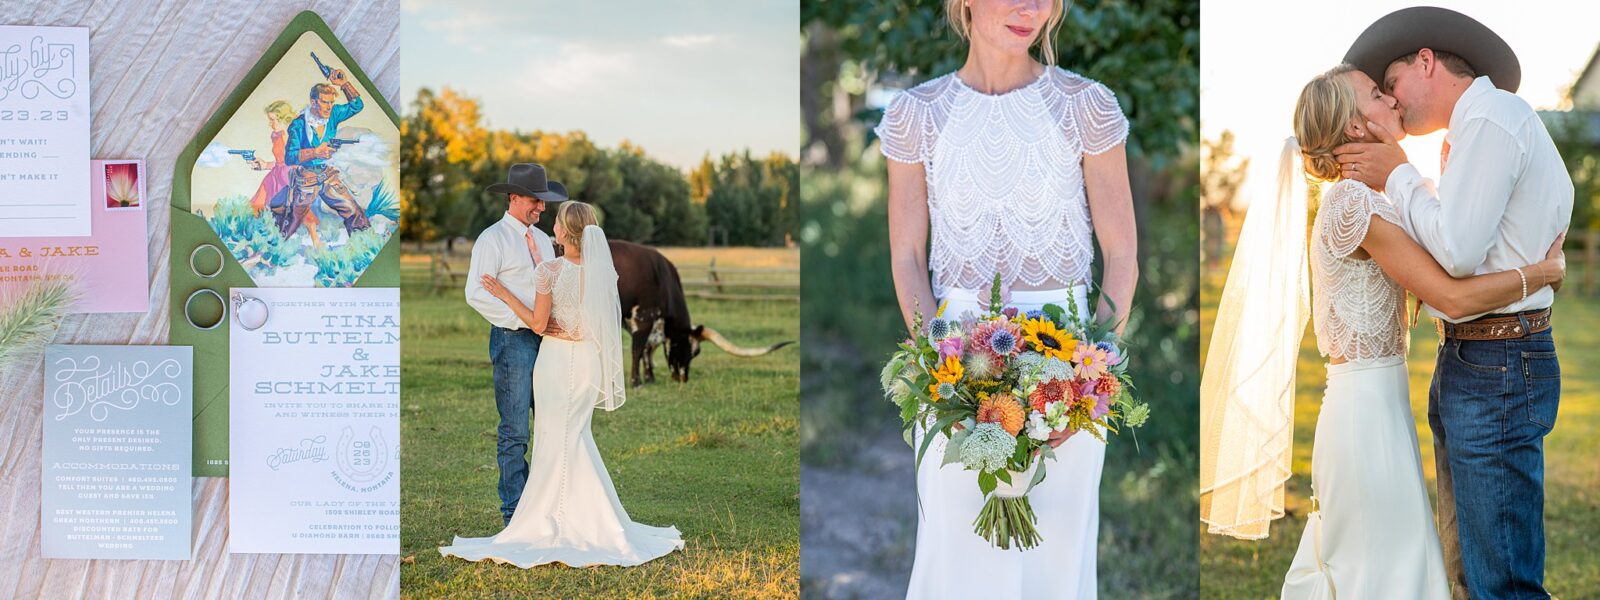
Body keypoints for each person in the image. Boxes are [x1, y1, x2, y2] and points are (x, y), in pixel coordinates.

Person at [1199, 61, 1565, 600]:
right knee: (1382, 573)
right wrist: (1542, 273)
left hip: (1379, 409)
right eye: (1377, 93)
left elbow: (1443, 251)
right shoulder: (1354, 204)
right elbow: (1452, 296)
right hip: (1365, 418)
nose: (1392, 101)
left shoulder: (1367, 200)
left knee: (1388, 569)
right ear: (1355, 125)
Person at [877, 0, 1136, 596]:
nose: (1032, 8)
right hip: (953, 362)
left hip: (1065, 365)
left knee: (1054, 557)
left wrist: (1091, 376)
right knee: (959, 555)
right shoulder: (915, 115)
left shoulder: (1087, 107)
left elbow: (1122, 255)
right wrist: (938, 367)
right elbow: (907, 256)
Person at [1333, 8, 1573, 598]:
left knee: (1502, 582)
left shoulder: (1491, 119)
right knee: (1467, 570)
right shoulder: (1470, 133)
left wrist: (1399, 175)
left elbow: (1460, 253)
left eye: (1391, 84)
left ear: (1426, 62)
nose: (1392, 101)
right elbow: (1456, 247)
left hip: (1499, 361)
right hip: (1476, 359)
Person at [441, 201, 685, 568]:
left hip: (555, 360)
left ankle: (557, 520)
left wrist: (504, 294)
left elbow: (539, 324)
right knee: (575, 436)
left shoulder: (549, 270)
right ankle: (586, 519)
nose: (550, 222)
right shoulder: (603, 272)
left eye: (556, 220)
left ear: (565, 232)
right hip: (587, 361)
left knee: (555, 438)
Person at [464, 163, 564, 526]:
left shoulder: (542, 241)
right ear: (514, 198)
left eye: (543, 202)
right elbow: (476, 294)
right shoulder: (492, 240)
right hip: (513, 341)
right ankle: (515, 515)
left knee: (553, 424)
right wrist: (525, 320)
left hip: (549, 342)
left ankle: (548, 506)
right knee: (515, 430)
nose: (541, 208)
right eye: (535, 201)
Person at [278, 66, 370, 240]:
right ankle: (275, 247)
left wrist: (344, 84)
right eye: (324, 102)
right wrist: (315, 152)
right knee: (292, 222)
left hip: (327, 175)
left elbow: (357, 105)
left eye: (331, 102)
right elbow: (289, 157)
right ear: (313, 102)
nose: (329, 107)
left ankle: (365, 244)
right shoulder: (298, 125)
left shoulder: (333, 114)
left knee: (354, 212)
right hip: (306, 179)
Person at [248, 99, 322, 247]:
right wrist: (264, 165)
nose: (270, 123)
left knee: (297, 208)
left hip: (289, 176)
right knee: (257, 205)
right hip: (275, 176)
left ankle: (316, 241)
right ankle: (257, 239)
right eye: (269, 120)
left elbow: (297, 159)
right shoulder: (275, 136)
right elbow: (279, 162)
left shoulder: (294, 135)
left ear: (283, 119)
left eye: (273, 120)